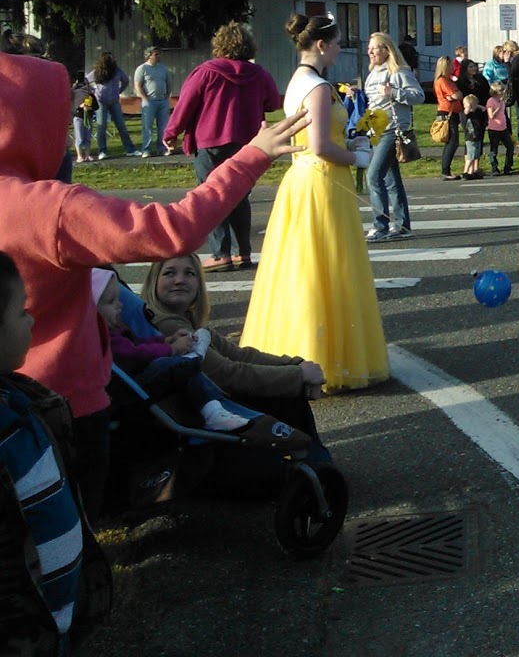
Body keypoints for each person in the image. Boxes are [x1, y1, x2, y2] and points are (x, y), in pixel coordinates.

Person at [1, 50, 307, 522]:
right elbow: (172, 230)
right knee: (73, 528)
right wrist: (253, 156)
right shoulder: (46, 208)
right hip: (66, 400)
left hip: (10, 401)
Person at [240, 15, 389, 392]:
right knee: (329, 267)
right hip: (321, 180)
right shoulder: (318, 87)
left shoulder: (298, 81)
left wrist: (353, 143)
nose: (340, 49)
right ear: (321, 45)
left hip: (304, 179)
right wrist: (357, 158)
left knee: (304, 269)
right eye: (337, 42)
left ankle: (303, 352)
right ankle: (328, 358)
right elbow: (319, 145)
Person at [1, 251, 112, 654]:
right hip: (24, 629)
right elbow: (47, 530)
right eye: (20, 313)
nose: (30, 320)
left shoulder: (19, 407)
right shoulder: (13, 424)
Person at [140, 253, 326, 445]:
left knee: (284, 389)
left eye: (189, 273)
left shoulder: (188, 319)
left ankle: (311, 461)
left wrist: (297, 364)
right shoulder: (168, 325)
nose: (179, 280)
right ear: (154, 281)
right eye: (169, 273)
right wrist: (298, 375)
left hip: (208, 404)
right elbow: (226, 374)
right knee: (284, 395)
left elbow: (240, 354)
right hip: (194, 412)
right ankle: (314, 463)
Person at [164, 21, 284, 271]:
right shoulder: (259, 74)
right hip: (247, 143)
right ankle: (244, 252)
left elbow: (186, 105)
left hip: (210, 142)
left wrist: (171, 131)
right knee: (240, 196)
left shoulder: (206, 71)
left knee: (211, 196)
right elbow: (273, 102)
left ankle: (221, 254)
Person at [363, 31, 424, 241]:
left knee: (373, 176)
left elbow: (419, 96)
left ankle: (380, 226)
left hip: (392, 130)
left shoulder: (398, 71)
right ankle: (402, 226)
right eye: (369, 48)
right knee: (391, 181)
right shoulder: (372, 73)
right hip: (376, 132)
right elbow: (373, 102)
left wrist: (394, 92)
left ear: (386, 50)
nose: (369, 51)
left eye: (374, 47)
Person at [85, 51, 134, 159]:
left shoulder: (117, 71)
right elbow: (85, 81)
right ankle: (102, 151)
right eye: (110, 59)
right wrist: (92, 92)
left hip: (114, 101)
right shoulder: (97, 72)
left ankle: (130, 149)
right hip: (101, 101)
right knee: (101, 126)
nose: (113, 61)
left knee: (121, 125)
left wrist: (119, 91)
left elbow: (125, 81)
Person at [131, 45, 173, 158]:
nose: (158, 56)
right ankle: (146, 149)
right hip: (149, 101)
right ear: (149, 56)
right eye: (155, 54)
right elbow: (137, 85)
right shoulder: (142, 69)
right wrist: (145, 98)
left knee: (163, 126)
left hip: (163, 101)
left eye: (158, 54)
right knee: (147, 127)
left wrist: (167, 95)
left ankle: (162, 148)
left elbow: (168, 83)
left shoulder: (163, 68)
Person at [433, 54, 463, 181]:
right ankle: (445, 170)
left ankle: (446, 169)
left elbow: (458, 95)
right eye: (450, 65)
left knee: (452, 141)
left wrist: (455, 96)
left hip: (452, 111)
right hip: (447, 112)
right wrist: (454, 96)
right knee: (452, 141)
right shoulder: (442, 81)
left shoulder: (449, 80)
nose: (452, 67)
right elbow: (456, 95)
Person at [486, 82, 515, 174]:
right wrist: (498, 108)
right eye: (500, 91)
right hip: (494, 129)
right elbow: (491, 116)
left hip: (503, 128)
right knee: (494, 149)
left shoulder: (502, 101)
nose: (503, 92)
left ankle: (508, 167)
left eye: (503, 90)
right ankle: (494, 167)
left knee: (510, 147)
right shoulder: (491, 101)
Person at [460, 93, 486, 179]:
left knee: (476, 155)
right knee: (471, 155)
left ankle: (472, 172)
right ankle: (466, 171)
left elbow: (483, 109)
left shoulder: (476, 113)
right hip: (470, 137)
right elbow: (465, 113)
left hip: (477, 136)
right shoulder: (465, 115)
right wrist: (468, 106)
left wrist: (477, 106)